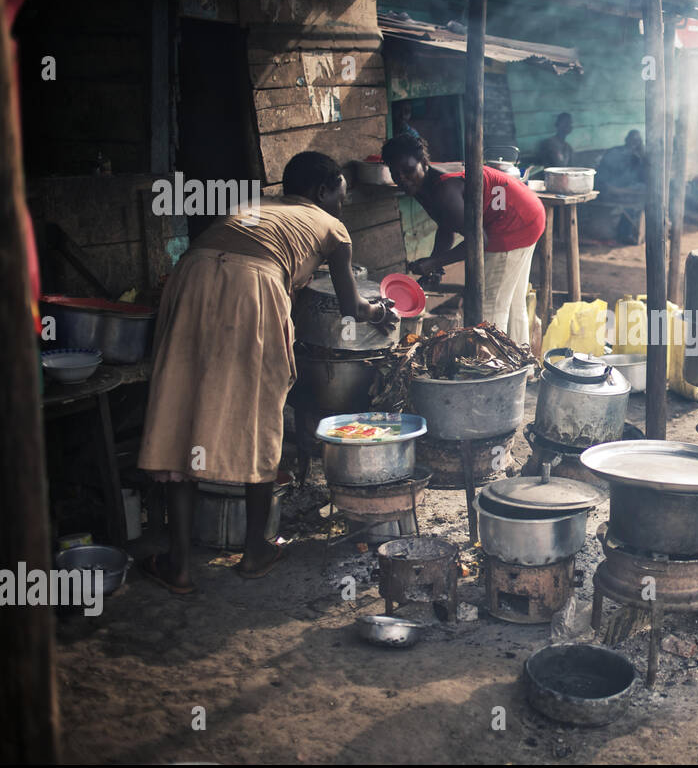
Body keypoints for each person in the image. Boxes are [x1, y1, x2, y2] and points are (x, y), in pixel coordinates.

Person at [137, 152, 396, 592]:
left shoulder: (255, 205)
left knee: (180, 406)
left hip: (192, 275)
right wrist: (379, 312)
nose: (342, 206)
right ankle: (255, 550)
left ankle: (178, 565)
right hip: (253, 284)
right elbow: (351, 306)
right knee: (262, 406)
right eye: (340, 195)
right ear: (323, 190)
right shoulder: (333, 227)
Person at [382, 132, 544, 345]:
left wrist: (434, 262)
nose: (402, 179)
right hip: (528, 211)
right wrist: (435, 262)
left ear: (423, 163)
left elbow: (479, 241)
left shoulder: (444, 190)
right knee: (512, 301)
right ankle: (523, 364)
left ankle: (495, 368)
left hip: (513, 221)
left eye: (409, 171)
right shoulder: (422, 185)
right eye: (396, 174)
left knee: (489, 304)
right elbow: (447, 226)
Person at [595, 129, 647, 193]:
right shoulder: (615, 151)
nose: (635, 142)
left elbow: (641, 177)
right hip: (613, 183)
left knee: (642, 186)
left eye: (638, 140)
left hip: (629, 185)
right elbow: (604, 171)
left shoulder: (640, 155)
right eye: (632, 139)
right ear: (627, 140)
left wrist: (640, 156)